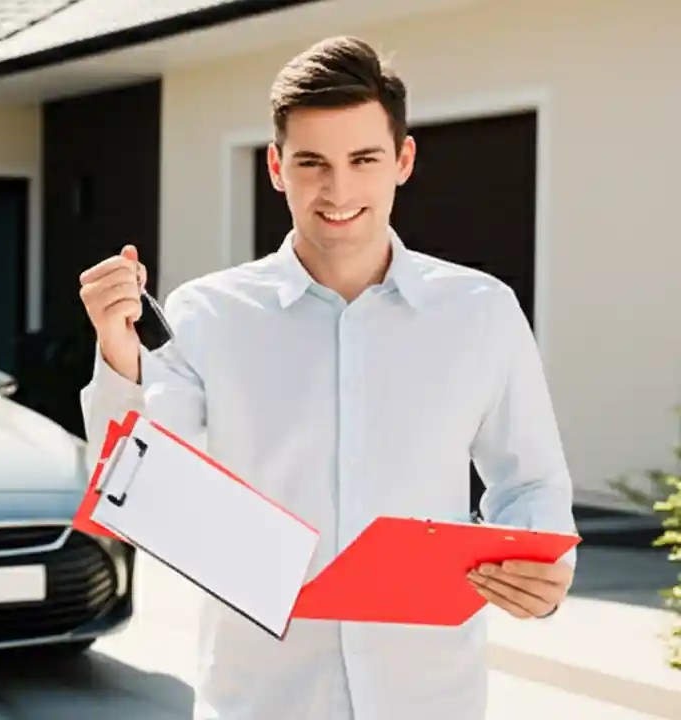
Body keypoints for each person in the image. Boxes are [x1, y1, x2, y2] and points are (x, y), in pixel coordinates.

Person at [76, 35, 577, 720]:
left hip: (430, 700)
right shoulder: (207, 315)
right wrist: (117, 350)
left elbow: (531, 482)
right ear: (276, 167)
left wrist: (541, 567)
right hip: (261, 702)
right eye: (312, 162)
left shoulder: (480, 311)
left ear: (403, 160)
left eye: (363, 160)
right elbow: (141, 489)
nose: (338, 190)